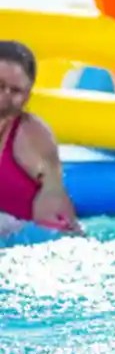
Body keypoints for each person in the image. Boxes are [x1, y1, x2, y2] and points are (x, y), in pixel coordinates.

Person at [0, 40, 80, 232]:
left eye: (16, 90)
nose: (5, 95)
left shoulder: (31, 136)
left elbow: (54, 195)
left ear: (27, 96)